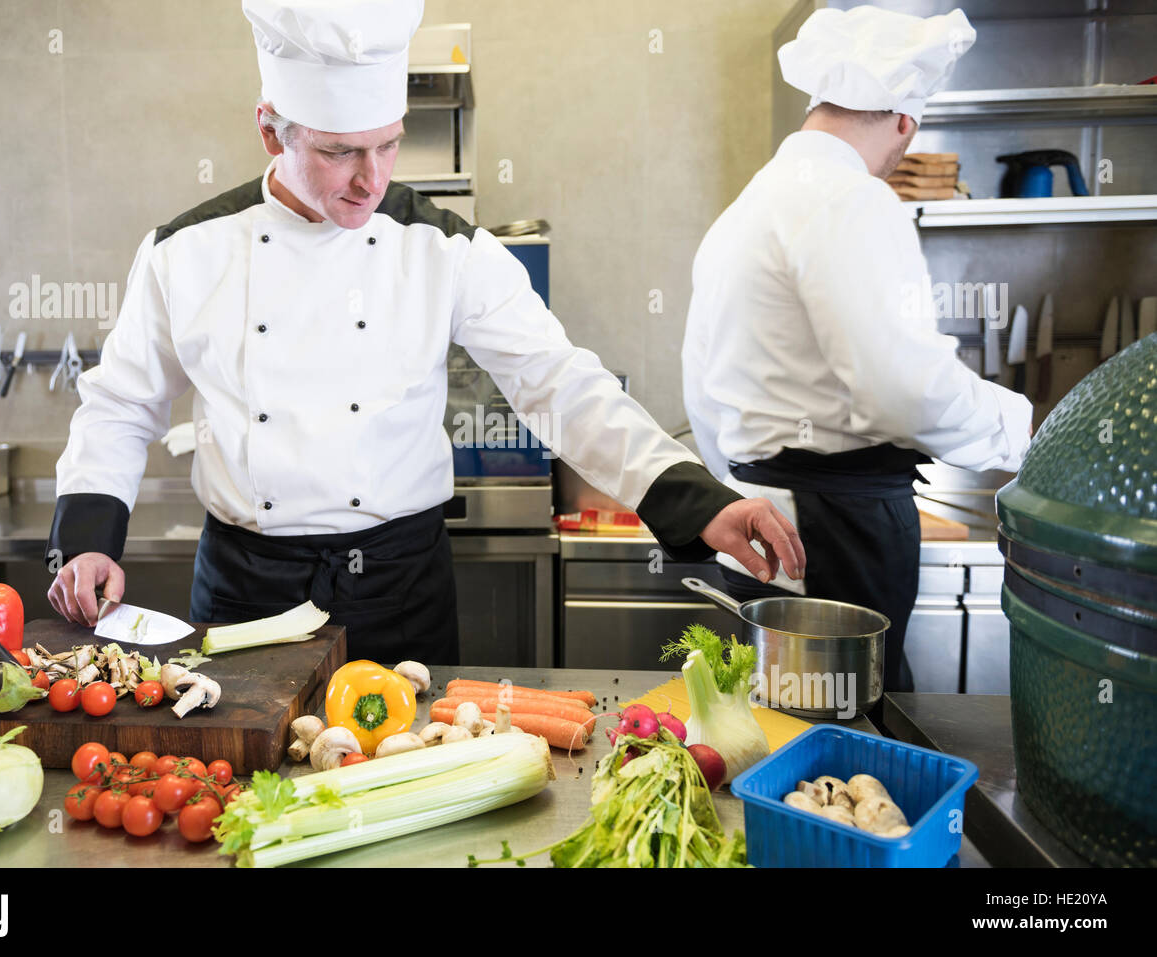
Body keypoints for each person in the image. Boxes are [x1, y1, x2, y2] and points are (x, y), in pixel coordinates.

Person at [47, 0, 805, 664]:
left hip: (399, 591)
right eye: (339, 150)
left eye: (386, 144)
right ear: (271, 132)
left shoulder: (443, 247)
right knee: (248, 803)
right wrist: (86, 538)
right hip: (248, 594)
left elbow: (557, 383)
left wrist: (693, 498)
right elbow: (120, 405)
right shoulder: (187, 252)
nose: (370, 180)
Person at [682, 5, 1031, 692]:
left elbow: (703, 389)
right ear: (905, 119)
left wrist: (746, 486)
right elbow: (905, 388)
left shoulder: (745, 208)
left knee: (779, 721)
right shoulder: (855, 200)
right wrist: (1022, 431)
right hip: (837, 530)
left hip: (764, 515)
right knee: (851, 727)